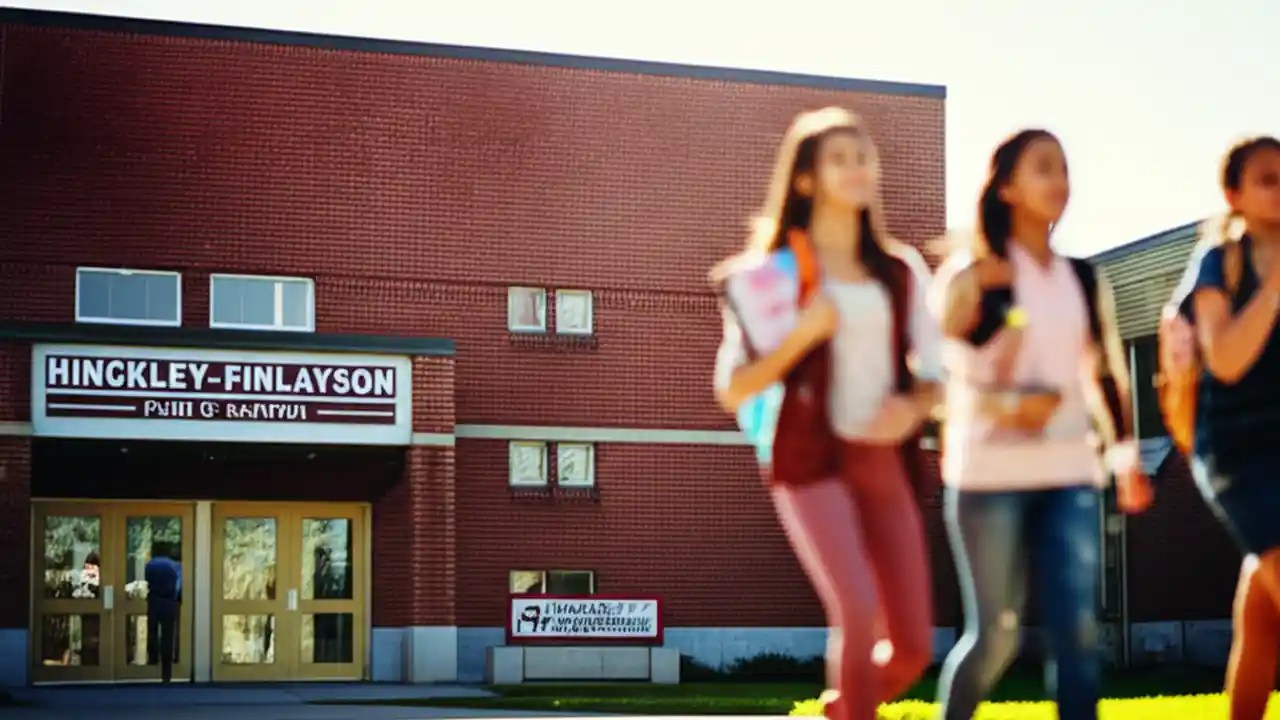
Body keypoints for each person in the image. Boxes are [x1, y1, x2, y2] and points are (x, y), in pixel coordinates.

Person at [712, 107, 940, 720]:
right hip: (808, 457)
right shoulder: (772, 275)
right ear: (806, 179)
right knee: (857, 609)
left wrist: (914, 406)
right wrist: (802, 336)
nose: (858, 167)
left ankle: (836, 711)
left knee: (914, 648)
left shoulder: (900, 271)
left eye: (864, 155)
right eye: (839, 158)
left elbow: (938, 374)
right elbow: (732, 389)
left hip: (883, 458)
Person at [929, 129, 1153, 720]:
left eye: (1063, 168)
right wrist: (1006, 405)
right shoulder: (973, 275)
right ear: (1006, 187)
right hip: (987, 477)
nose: (1060, 181)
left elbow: (1105, 372)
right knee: (997, 636)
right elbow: (934, 375)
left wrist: (1124, 452)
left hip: (1068, 473)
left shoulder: (1082, 278)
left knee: (1077, 629)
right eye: (1043, 168)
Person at [1163, 136, 1280, 720]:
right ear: (1233, 193)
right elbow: (1227, 360)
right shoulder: (1220, 261)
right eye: (1268, 179)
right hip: (1236, 450)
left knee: (1263, 618)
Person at [145, 541, 182, 683]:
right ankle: (167, 671)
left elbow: (146, 581)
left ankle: (152, 661)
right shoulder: (175, 566)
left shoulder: (150, 565)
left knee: (152, 631)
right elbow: (179, 584)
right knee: (168, 635)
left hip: (154, 601)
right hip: (170, 602)